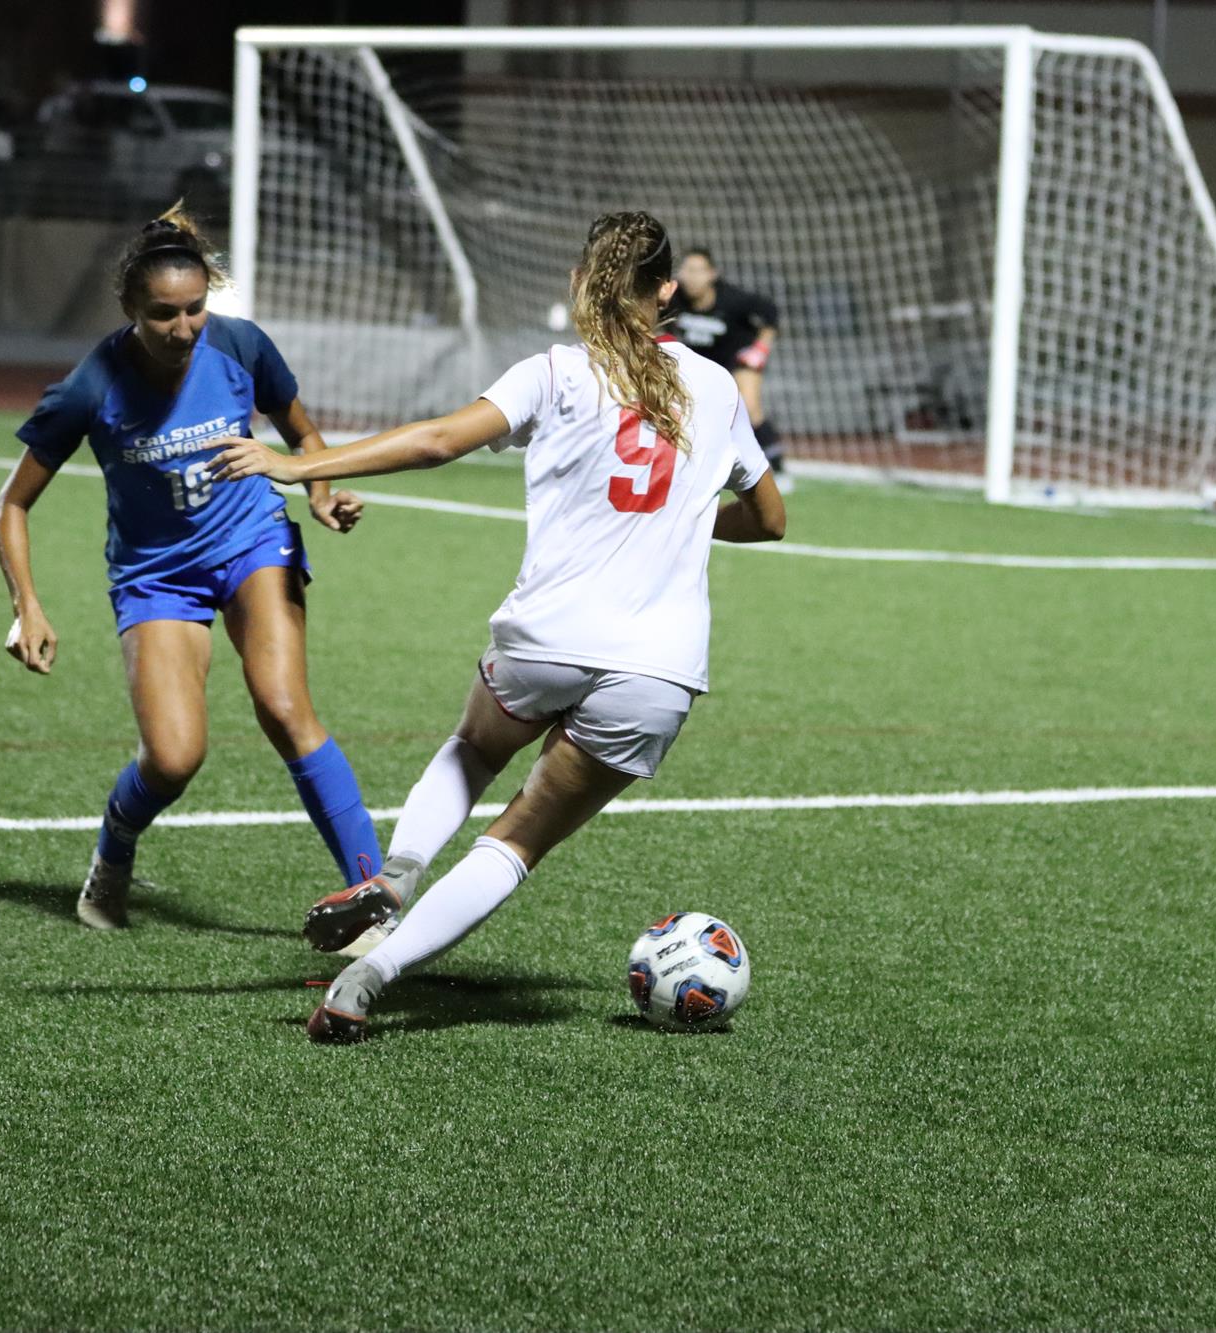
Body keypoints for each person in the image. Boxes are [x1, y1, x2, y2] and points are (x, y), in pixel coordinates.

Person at [208, 210, 787, 1043]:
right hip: (656, 672)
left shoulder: (555, 371)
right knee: (513, 844)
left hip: (544, 640)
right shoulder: (717, 386)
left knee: (475, 750)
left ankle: (399, 872)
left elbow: (440, 439)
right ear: (666, 293)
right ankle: (367, 979)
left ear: (580, 283)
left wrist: (301, 462)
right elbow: (768, 520)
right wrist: (689, 519)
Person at [0, 205, 383, 931]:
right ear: (129, 308)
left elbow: (300, 430)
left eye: (195, 308)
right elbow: (9, 506)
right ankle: (113, 853)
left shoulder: (239, 345)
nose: (184, 328)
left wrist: (320, 489)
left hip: (250, 543)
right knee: (173, 758)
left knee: (286, 707)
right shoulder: (91, 385)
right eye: (163, 314)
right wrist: (28, 605)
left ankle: (377, 903)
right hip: (155, 575)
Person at [664, 247, 791, 492]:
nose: (691, 277)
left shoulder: (733, 299)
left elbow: (770, 313)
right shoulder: (674, 299)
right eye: (687, 271)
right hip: (700, 364)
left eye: (698, 271)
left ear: (712, 274)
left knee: (750, 409)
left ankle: (779, 467)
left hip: (737, 361)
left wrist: (760, 350)